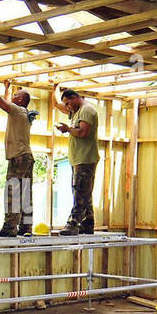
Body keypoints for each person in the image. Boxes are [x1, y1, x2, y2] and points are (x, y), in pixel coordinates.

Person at [0, 71, 35, 236]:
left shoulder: (16, 110)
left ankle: (10, 228)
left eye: (16, 95)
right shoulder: (24, 113)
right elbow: (7, 101)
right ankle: (26, 227)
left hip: (18, 158)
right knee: (25, 193)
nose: (13, 97)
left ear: (20, 100)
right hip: (27, 157)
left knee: (12, 192)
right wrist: (7, 88)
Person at [55, 87, 100, 235]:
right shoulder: (76, 112)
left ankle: (73, 223)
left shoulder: (86, 110)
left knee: (80, 192)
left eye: (68, 103)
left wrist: (68, 129)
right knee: (85, 193)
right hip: (78, 159)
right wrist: (55, 87)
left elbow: (83, 132)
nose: (68, 107)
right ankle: (88, 223)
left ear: (75, 97)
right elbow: (57, 105)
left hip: (85, 159)